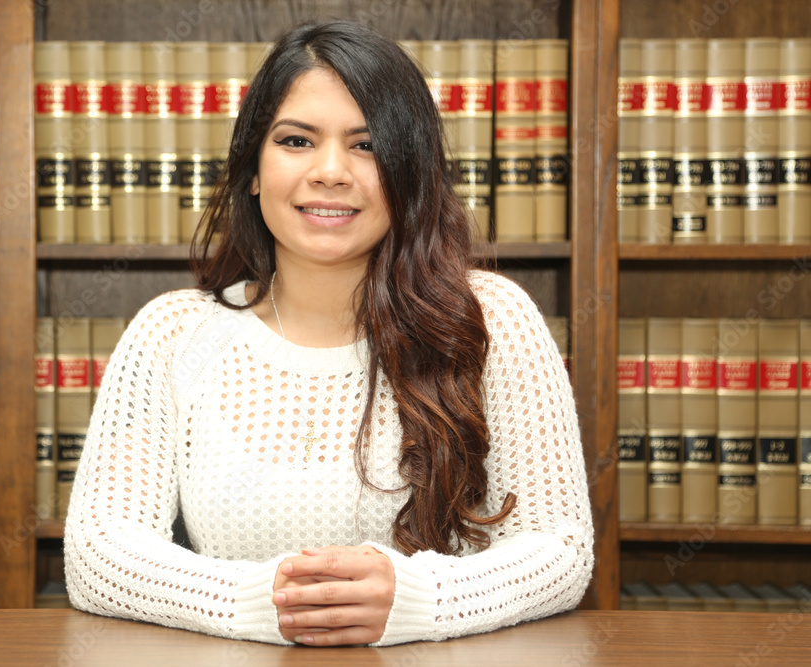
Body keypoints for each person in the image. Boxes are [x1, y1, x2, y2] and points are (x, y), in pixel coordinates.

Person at [64, 20, 593, 648]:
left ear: (410, 174)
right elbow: (100, 554)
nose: (331, 172)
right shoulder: (174, 333)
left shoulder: (492, 321)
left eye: (367, 145)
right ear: (253, 170)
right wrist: (263, 604)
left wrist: (421, 601)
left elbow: (560, 549)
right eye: (296, 140)